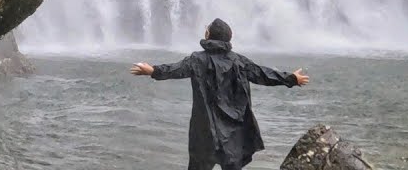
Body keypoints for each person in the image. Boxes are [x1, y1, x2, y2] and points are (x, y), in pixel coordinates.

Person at [129, 18, 310, 170]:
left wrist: (152, 70)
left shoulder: (197, 59)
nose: (205, 31)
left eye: (207, 29)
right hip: (233, 127)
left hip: (205, 128)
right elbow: (262, 74)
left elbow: (176, 70)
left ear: (209, 35)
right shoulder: (238, 61)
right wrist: (291, 78)